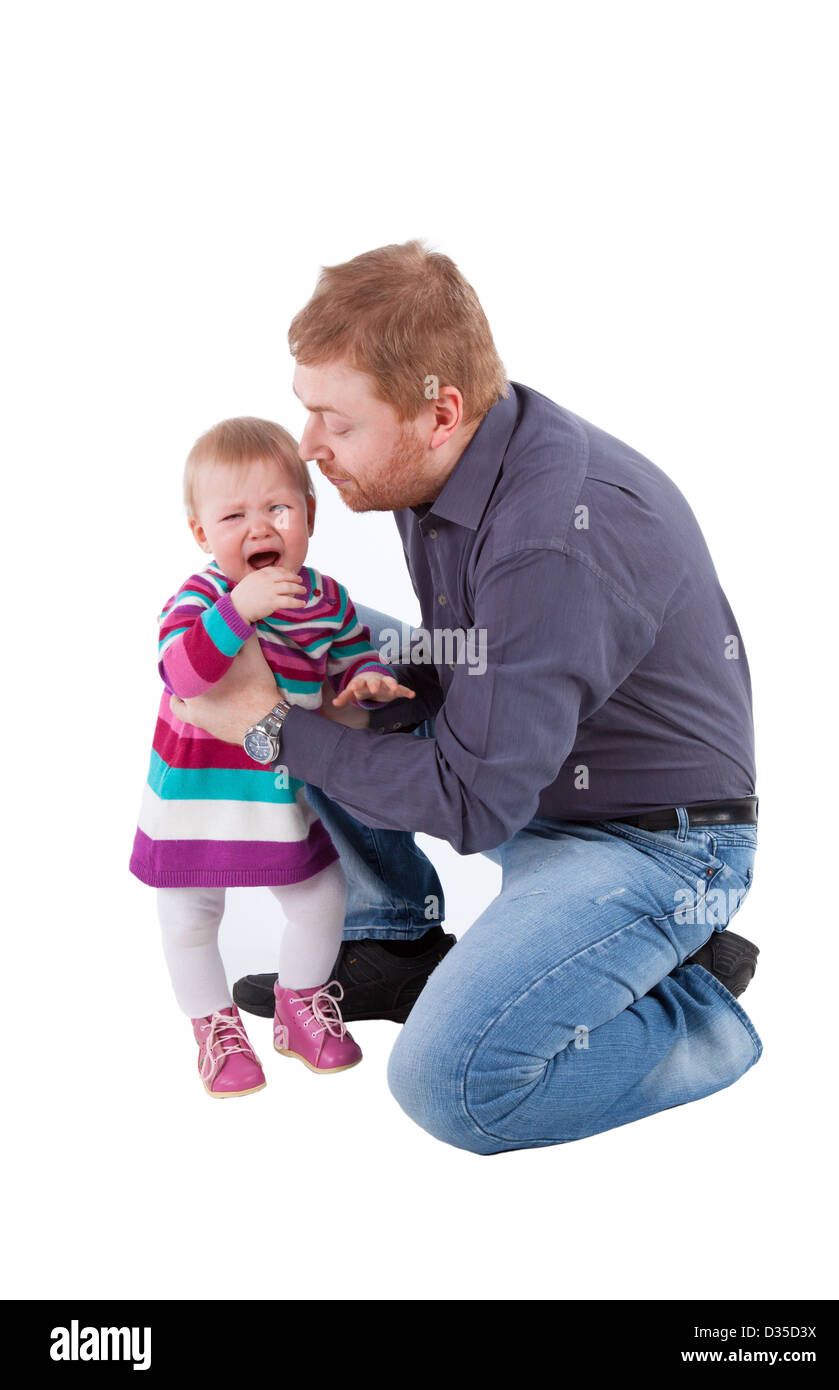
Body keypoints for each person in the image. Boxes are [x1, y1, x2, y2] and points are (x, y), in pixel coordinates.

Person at [170, 241, 762, 1154]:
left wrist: (271, 727)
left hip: (654, 842)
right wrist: (383, 687)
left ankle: (691, 997)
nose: (308, 449)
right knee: (310, 641)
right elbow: (485, 649)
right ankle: (401, 941)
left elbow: (477, 803)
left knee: (451, 1084)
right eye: (305, 413)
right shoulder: (440, 462)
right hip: (540, 753)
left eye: (334, 420)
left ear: (439, 410)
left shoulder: (549, 536)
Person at [129, 416, 414, 1097]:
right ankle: (215, 1027)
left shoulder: (326, 600)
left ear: (309, 516)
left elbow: (350, 668)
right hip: (193, 804)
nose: (259, 529)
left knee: (321, 898)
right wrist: (238, 610)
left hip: (277, 798)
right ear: (202, 534)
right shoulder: (202, 598)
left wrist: (365, 681)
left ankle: (298, 1004)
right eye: (234, 516)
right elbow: (181, 675)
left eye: (278, 508)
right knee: (190, 920)